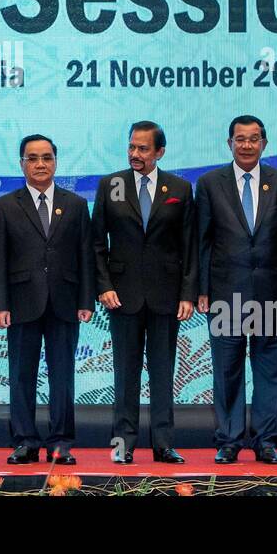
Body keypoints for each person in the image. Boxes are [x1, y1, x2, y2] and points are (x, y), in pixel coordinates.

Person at [92, 120, 197, 464]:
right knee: (125, 374)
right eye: (132, 147)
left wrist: (187, 294)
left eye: (143, 149)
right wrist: (104, 286)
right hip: (122, 297)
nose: (135, 154)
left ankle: (163, 443)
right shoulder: (112, 185)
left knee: (164, 372)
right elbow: (96, 243)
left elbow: (189, 247)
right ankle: (123, 445)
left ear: (159, 152)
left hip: (167, 296)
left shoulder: (179, 187)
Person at [0, 135, 94, 465]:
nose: (40, 164)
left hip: (64, 300)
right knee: (21, 374)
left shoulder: (75, 204)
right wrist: (0, 303)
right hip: (20, 302)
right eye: (32, 158)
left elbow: (85, 256)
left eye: (46, 157)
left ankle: (61, 441)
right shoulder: (5, 205)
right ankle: (25, 440)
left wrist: (86, 300)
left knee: (62, 375)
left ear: (55, 162)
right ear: (21, 164)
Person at [195, 115, 277, 464]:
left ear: (264, 144)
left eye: (254, 139)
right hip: (225, 293)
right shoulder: (209, 183)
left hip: (272, 293)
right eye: (240, 139)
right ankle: (230, 440)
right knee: (227, 369)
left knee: (271, 371)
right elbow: (202, 242)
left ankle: (266, 441)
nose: (247, 145)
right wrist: (202, 290)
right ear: (229, 143)